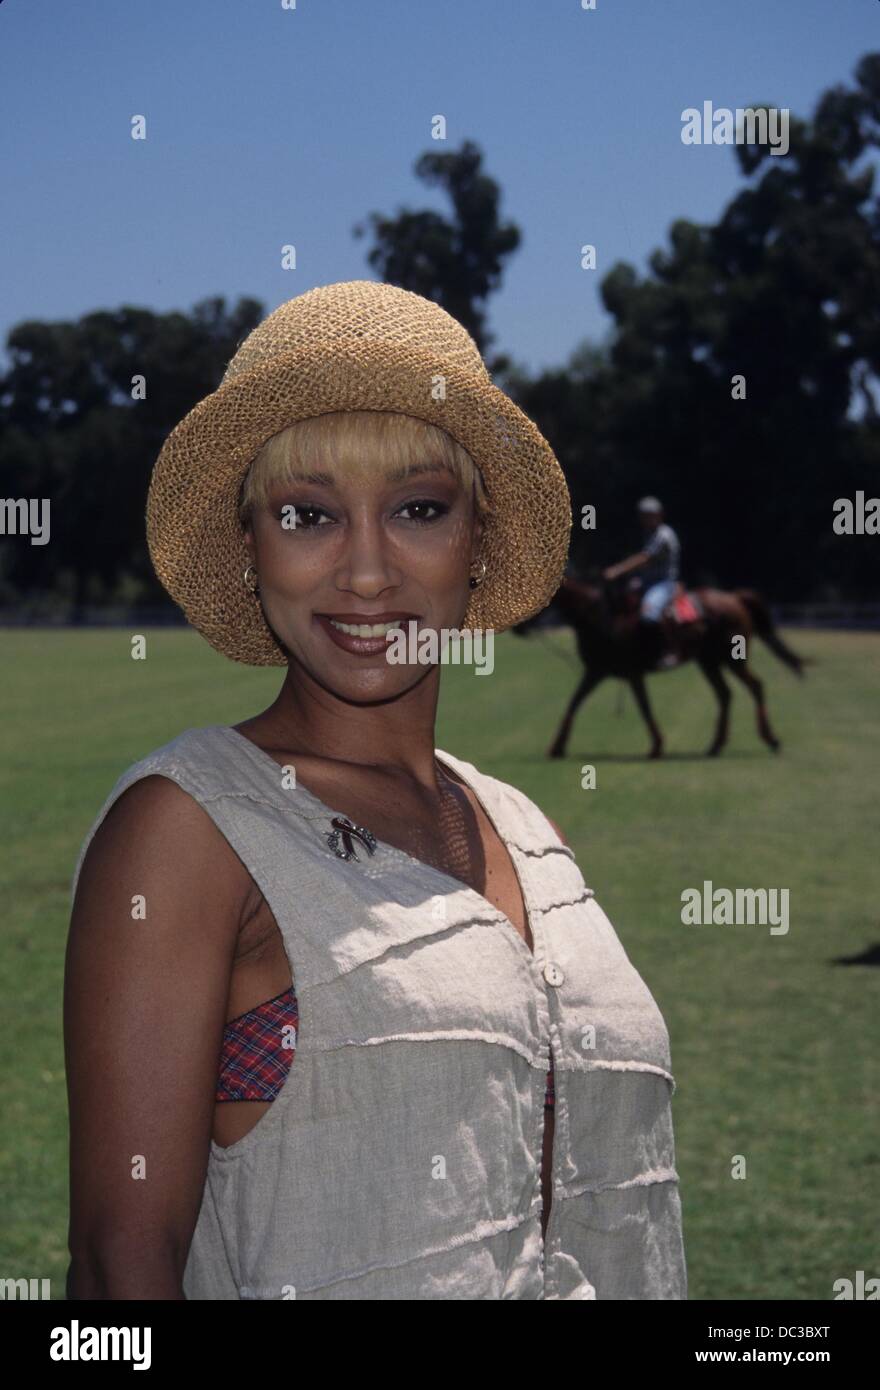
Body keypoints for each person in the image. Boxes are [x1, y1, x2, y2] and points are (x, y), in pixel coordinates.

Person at [64, 280, 686, 1301]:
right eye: (307, 513)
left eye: (418, 509)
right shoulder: (190, 829)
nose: (364, 571)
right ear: (249, 543)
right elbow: (116, 1268)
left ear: (478, 538)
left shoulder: (527, 829)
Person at [603, 497, 685, 668]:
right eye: (643, 516)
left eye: (649, 515)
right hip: (648, 581)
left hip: (664, 583)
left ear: (659, 515)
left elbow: (645, 558)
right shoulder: (649, 534)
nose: (645, 519)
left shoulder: (664, 535)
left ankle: (669, 650)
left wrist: (618, 570)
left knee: (649, 613)